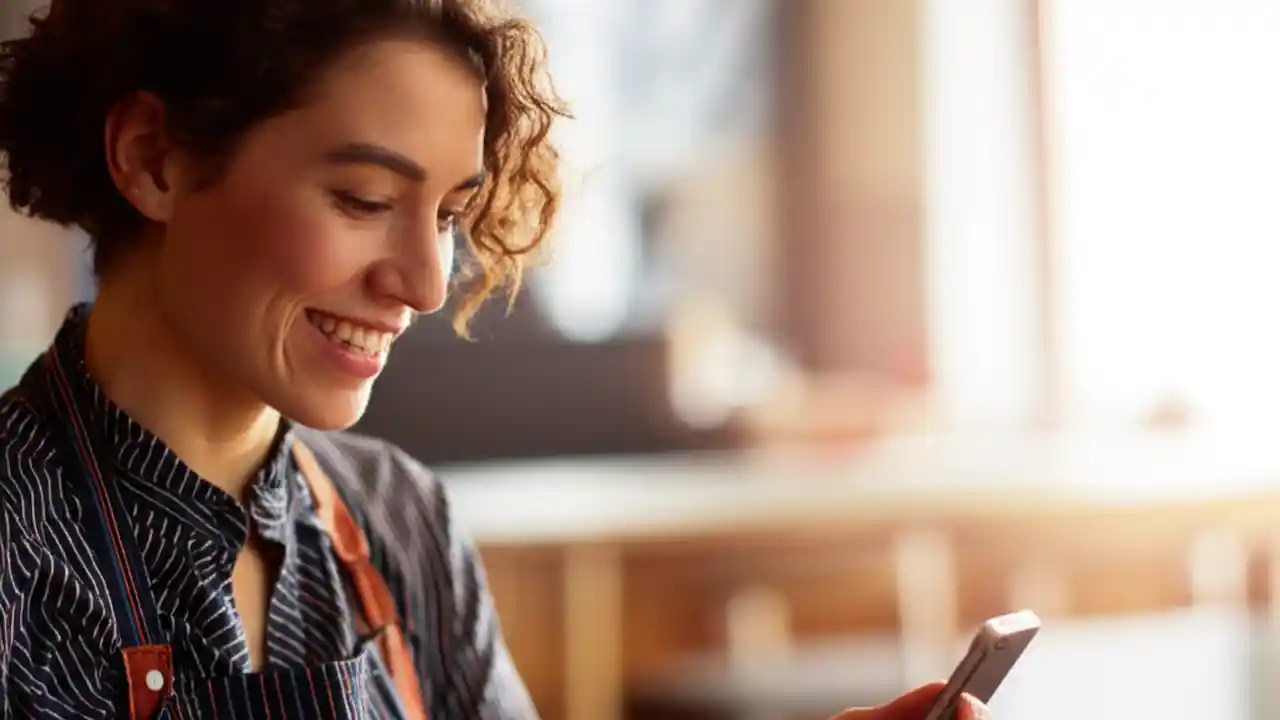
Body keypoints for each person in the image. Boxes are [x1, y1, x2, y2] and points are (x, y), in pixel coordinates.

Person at [0, 0, 992, 717]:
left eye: (446, 215)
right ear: (152, 158)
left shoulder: (399, 524)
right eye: (361, 200)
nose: (427, 284)